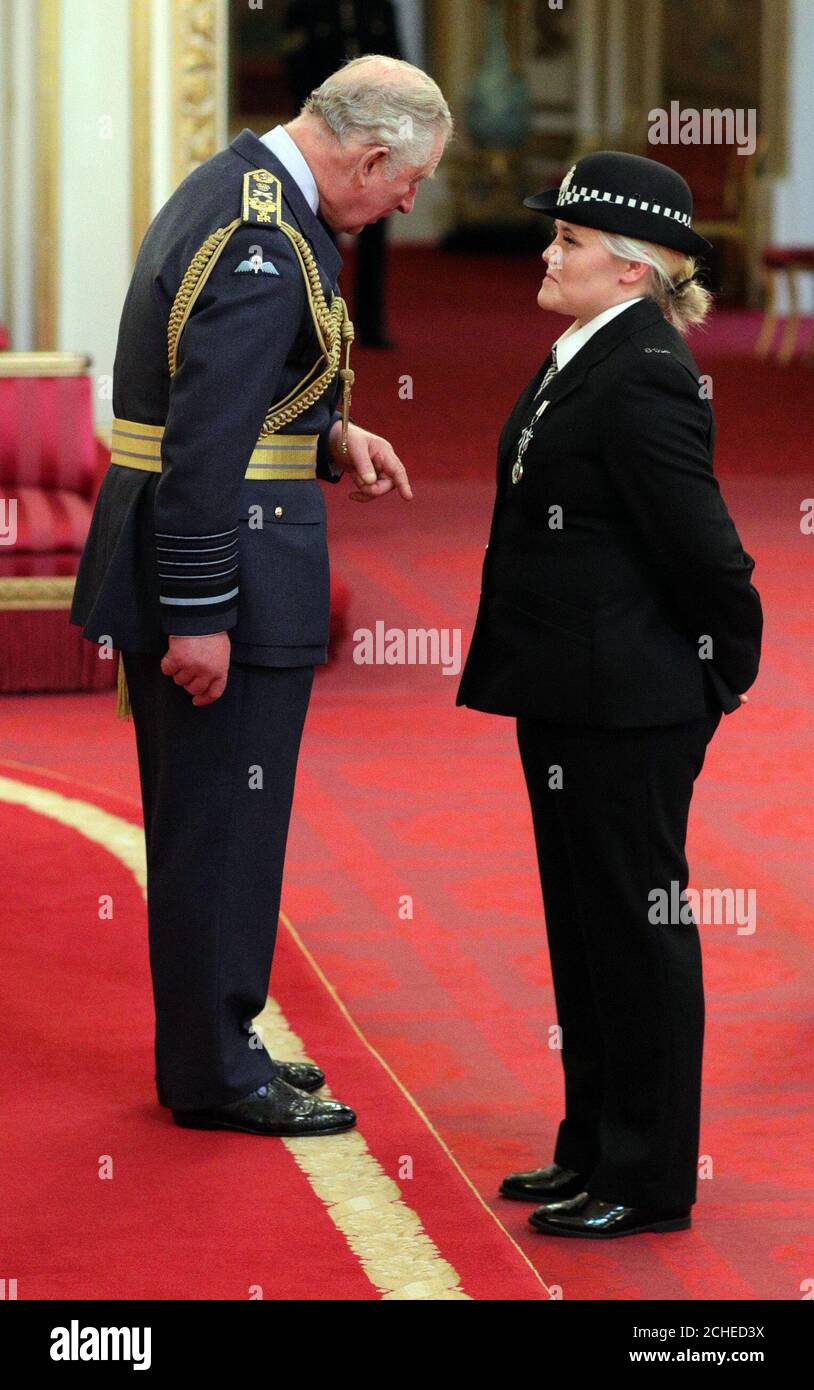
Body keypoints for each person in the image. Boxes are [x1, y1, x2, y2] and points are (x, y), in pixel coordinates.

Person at [70, 56, 451, 1137]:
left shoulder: (248, 189)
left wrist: (325, 434)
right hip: (225, 563)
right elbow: (199, 443)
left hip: (236, 543)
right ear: (370, 155)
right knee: (219, 830)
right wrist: (200, 613)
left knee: (227, 824)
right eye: (407, 182)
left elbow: (232, 398)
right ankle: (213, 1071)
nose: (407, 202)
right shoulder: (262, 238)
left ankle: (222, 1039)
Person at [456, 150, 762, 1237]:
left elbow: (708, 554)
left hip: (631, 702)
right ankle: (590, 1144)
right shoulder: (587, 348)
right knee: (584, 928)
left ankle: (647, 1175)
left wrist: (718, 668)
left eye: (570, 241)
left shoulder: (647, 372)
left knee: (635, 932)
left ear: (632, 270)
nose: (548, 252)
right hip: (569, 692)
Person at [283, 0, 405, 346]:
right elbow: (295, 56)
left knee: (375, 231)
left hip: (374, 131)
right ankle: (319, 323)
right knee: (320, 231)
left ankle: (370, 323)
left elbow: (397, 64)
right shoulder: (307, 6)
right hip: (325, 133)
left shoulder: (381, 7)